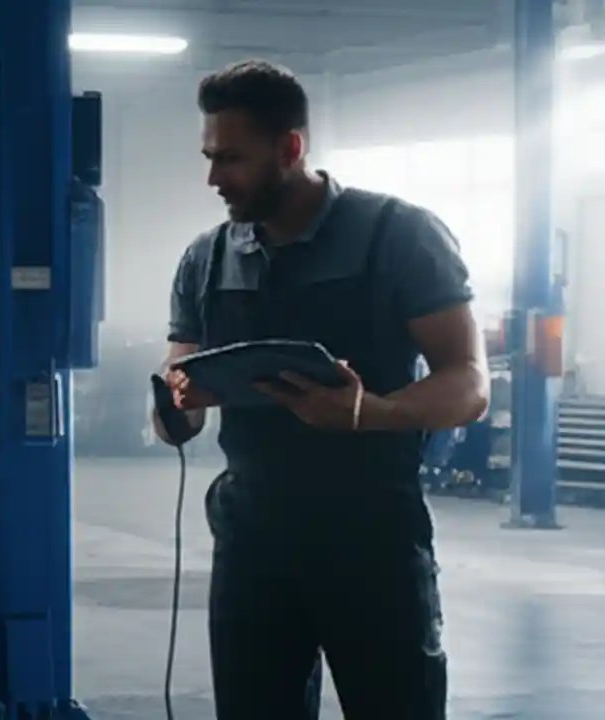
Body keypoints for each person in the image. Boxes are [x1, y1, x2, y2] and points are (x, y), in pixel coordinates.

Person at [154, 59, 490, 719]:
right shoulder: (206, 259)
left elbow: (468, 383)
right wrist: (176, 409)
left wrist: (371, 412)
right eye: (209, 157)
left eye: (231, 159)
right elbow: (178, 396)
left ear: (290, 149)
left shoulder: (398, 237)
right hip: (252, 542)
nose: (214, 178)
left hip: (372, 541)